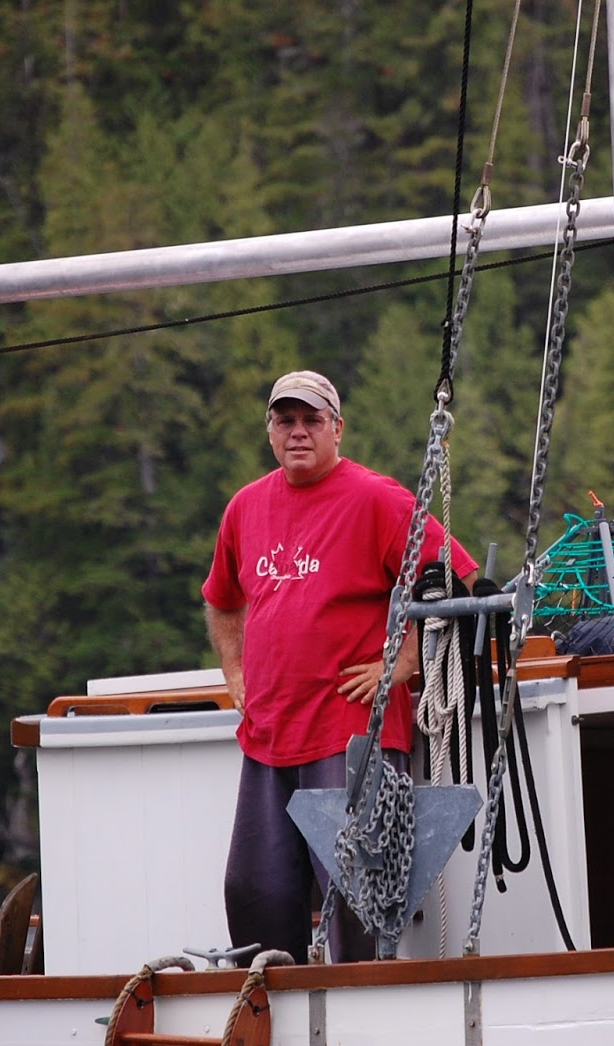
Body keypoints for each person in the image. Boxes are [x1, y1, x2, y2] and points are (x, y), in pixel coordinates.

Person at [201, 369, 478, 963]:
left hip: (353, 734)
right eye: (286, 420)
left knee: (357, 899)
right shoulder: (245, 507)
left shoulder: (377, 498)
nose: (298, 432)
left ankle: (366, 1007)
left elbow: (456, 577)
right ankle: (268, 1005)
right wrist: (234, 671)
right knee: (253, 895)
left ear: (337, 429)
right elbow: (222, 600)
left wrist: (405, 661)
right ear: (270, 431)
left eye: (312, 420)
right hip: (268, 735)